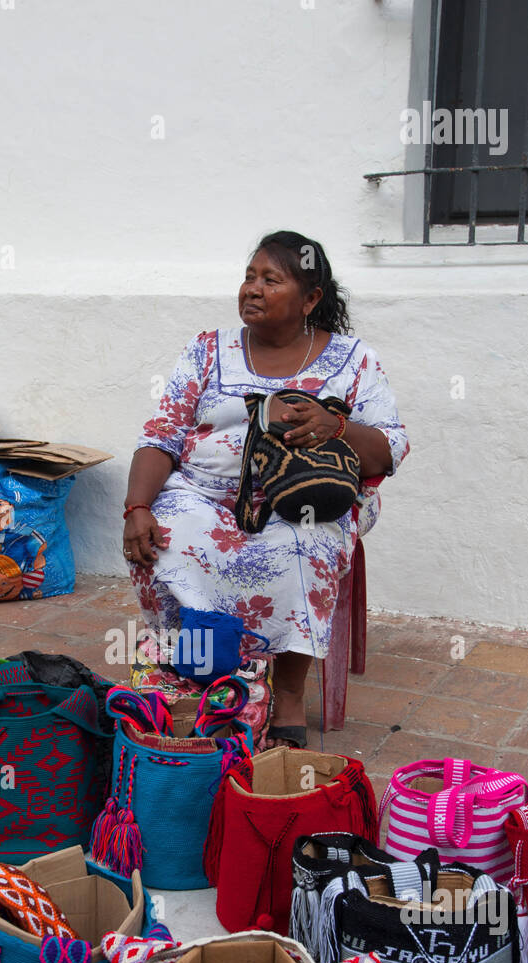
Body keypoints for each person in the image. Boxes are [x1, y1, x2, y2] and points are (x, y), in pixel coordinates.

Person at [122, 230, 409, 746]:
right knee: (168, 538)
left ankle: (290, 693)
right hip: (203, 488)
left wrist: (333, 424)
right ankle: (205, 674)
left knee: (305, 542)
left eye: (270, 280)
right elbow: (162, 432)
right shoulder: (208, 349)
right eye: (249, 277)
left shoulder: (353, 359)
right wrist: (137, 504)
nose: (252, 289)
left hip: (308, 498)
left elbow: (391, 448)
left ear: (311, 299)